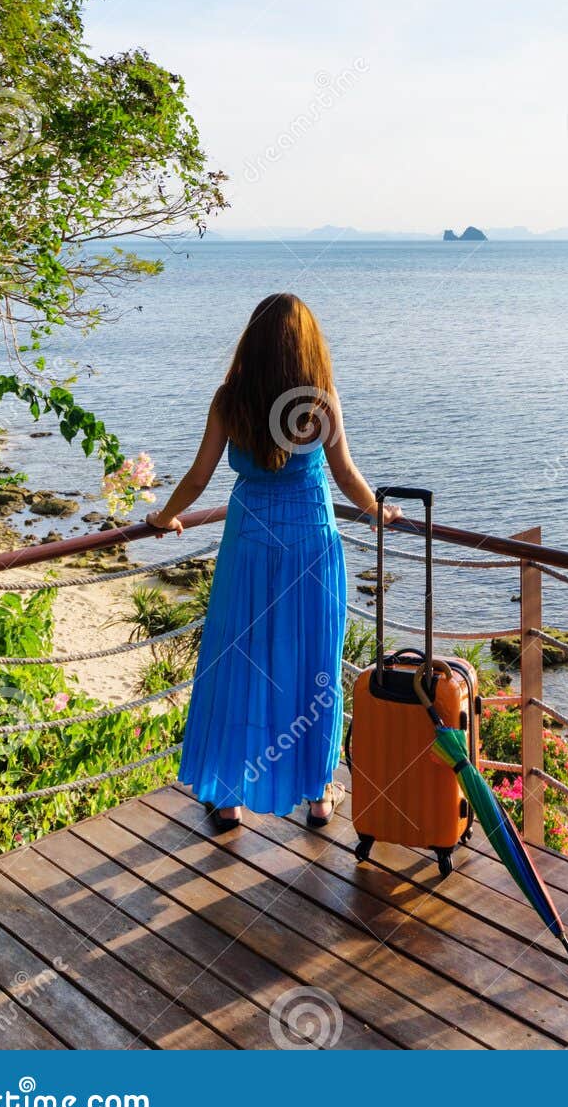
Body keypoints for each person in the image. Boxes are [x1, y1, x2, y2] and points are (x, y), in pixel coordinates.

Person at [145, 292, 399, 832]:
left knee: (240, 663)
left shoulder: (230, 399)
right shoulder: (320, 401)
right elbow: (348, 477)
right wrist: (379, 510)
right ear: (309, 347)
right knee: (314, 668)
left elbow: (196, 479)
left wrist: (163, 518)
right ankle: (318, 794)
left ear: (252, 340)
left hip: (249, 548)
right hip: (310, 545)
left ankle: (230, 795)